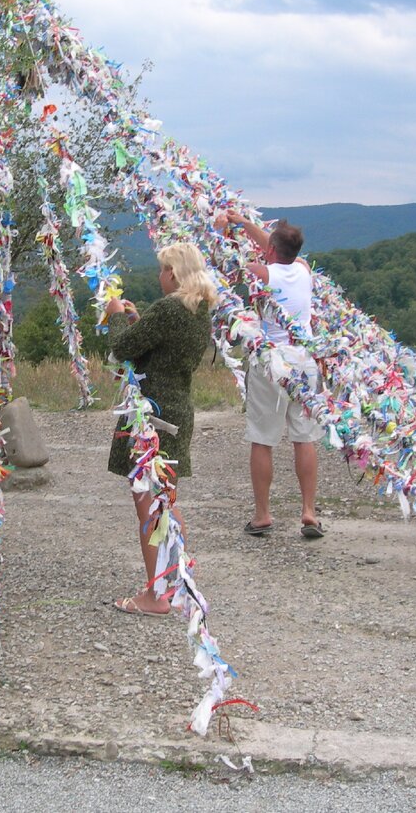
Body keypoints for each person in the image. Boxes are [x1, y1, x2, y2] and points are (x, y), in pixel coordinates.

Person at [105, 242, 216, 616]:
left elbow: (122, 348)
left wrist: (116, 315)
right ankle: (174, 576)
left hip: (152, 414)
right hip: (178, 408)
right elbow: (159, 349)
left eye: (162, 269)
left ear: (173, 272)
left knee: (149, 506)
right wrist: (139, 320)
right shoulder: (200, 309)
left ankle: (156, 596)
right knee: (164, 501)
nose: (159, 276)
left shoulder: (169, 308)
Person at [217, 210, 326, 539]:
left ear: (271, 250)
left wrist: (223, 232)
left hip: (271, 363)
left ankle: (263, 514)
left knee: (262, 439)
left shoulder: (261, 273)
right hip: (305, 362)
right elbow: (278, 248)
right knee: (304, 438)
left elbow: (224, 269)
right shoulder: (304, 270)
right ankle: (309, 511)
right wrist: (245, 222)